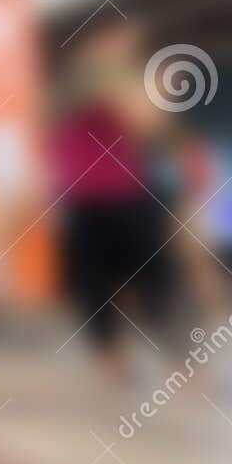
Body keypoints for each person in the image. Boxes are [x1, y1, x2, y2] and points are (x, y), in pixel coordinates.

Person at [49, 20, 178, 384]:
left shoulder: (124, 83)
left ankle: (180, 361)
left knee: (154, 279)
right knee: (94, 285)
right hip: (88, 200)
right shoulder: (74, 85)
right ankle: (112, 363)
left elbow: (149, 123)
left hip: (126, 196)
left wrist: (148, 88)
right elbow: (142, 117)